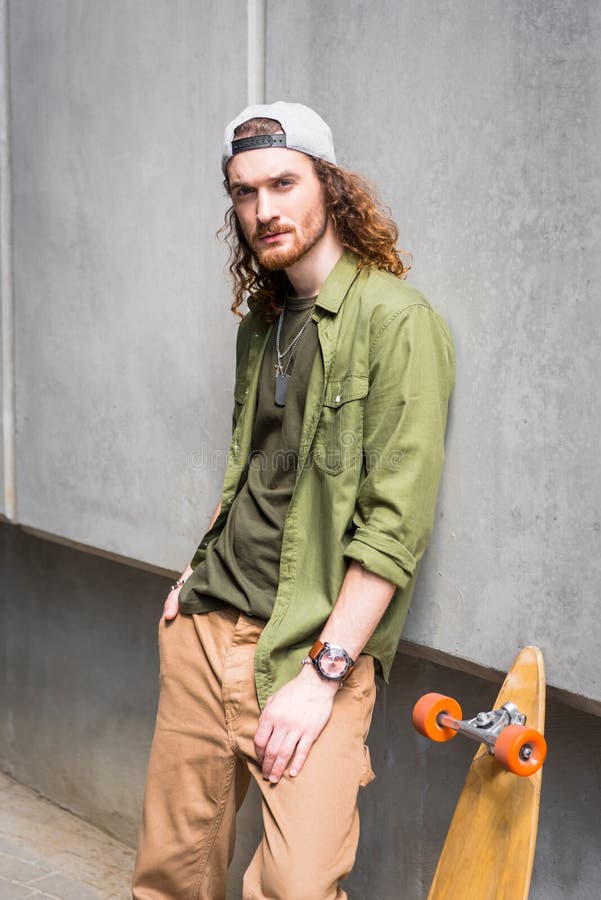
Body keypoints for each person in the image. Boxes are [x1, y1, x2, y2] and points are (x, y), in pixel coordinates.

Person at [132, 100, 455, 900]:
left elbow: (394, 525)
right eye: (243, 192)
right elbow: (248, 470)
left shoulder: (397, 322)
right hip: (205, 630)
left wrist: (323, 674)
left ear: (330, 187)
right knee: (171, 876)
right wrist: (192, 572)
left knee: (295, 885)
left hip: (310, 646)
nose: (262, 209)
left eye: (283, 183)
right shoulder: (262, 323)